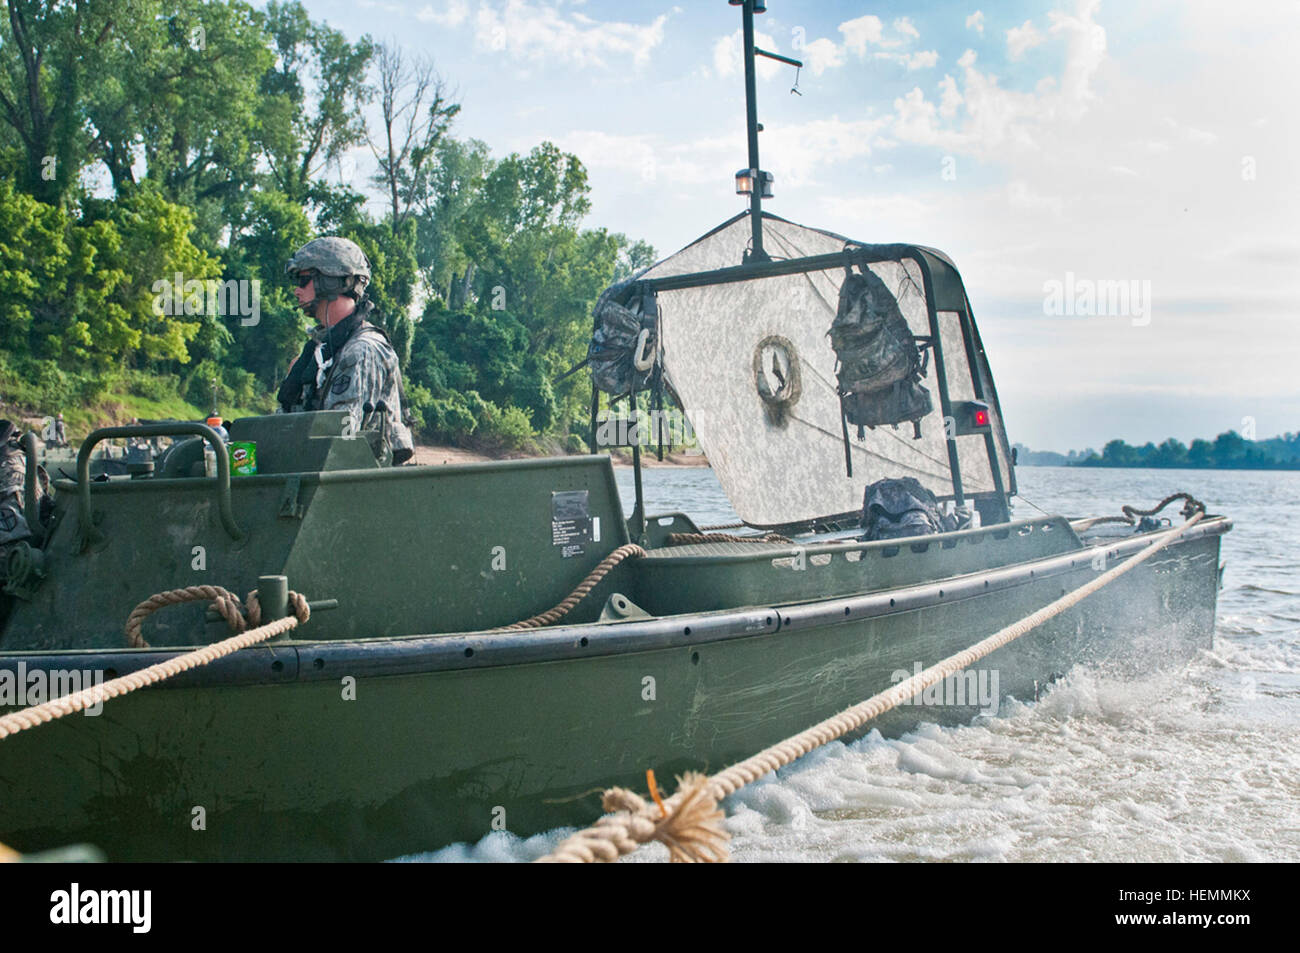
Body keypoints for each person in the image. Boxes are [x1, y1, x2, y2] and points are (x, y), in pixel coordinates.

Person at [276, 237, 414, 465]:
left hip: (357, 488)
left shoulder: (362, 351)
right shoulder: (321, 351)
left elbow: (340, 440)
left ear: (331, 281)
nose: (296, 291)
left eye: (303, 280)